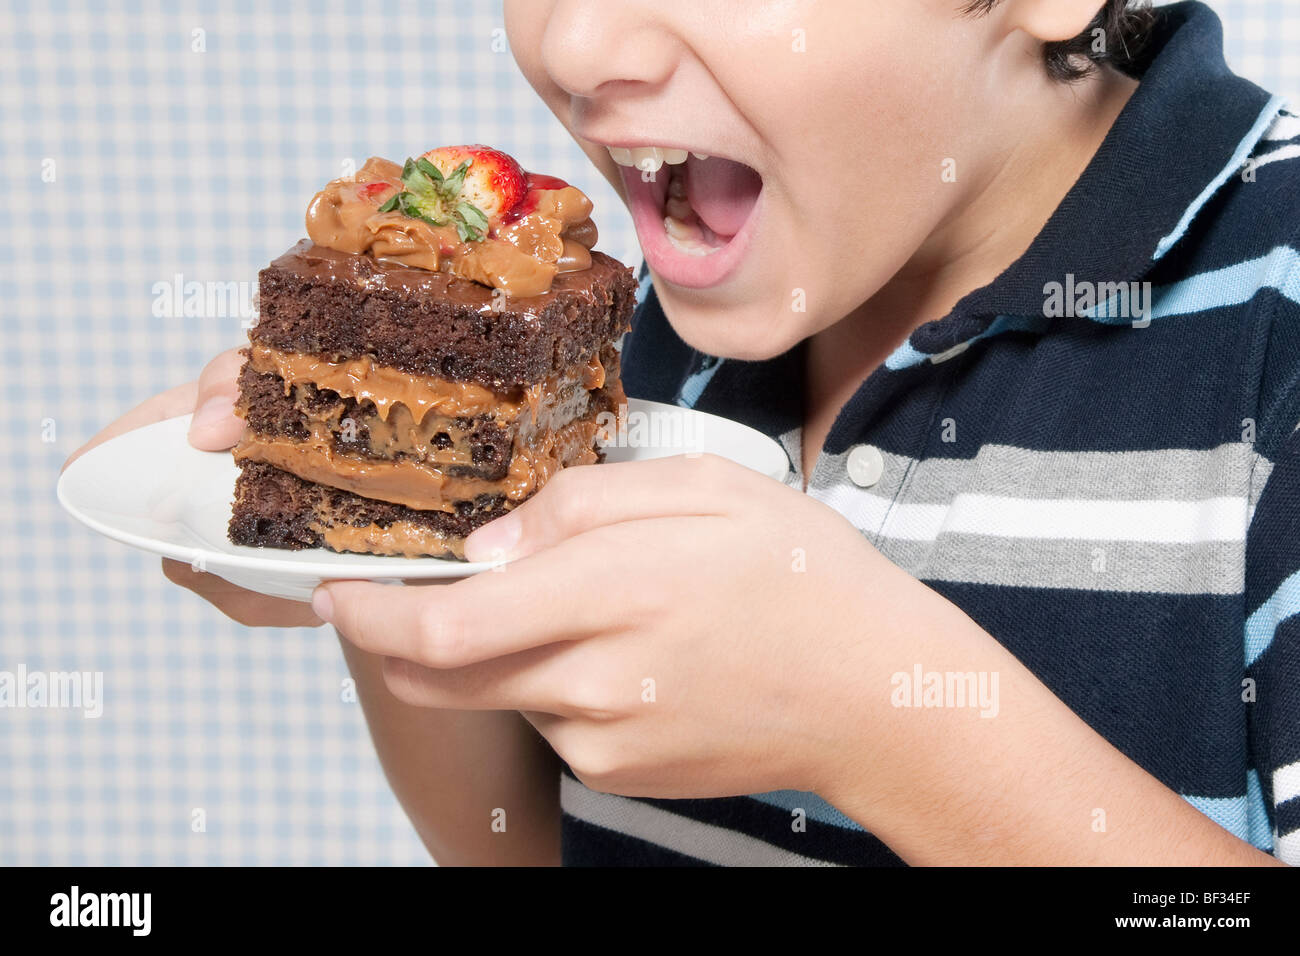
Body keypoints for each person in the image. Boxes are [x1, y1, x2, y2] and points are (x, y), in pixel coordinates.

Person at [69, 0, 1300, 865]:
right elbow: (535, 850)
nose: (573, 41)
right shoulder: (643, 342)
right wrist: (378, 521)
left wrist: (882, 723)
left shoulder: (1275, 325)